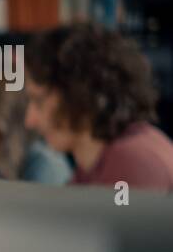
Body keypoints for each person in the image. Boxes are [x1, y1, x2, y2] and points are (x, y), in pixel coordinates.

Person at [24, 23, 173, 192]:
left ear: (78, 93)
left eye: (38, 101)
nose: (30, 120)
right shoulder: (89, 169)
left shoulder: (131, 163)